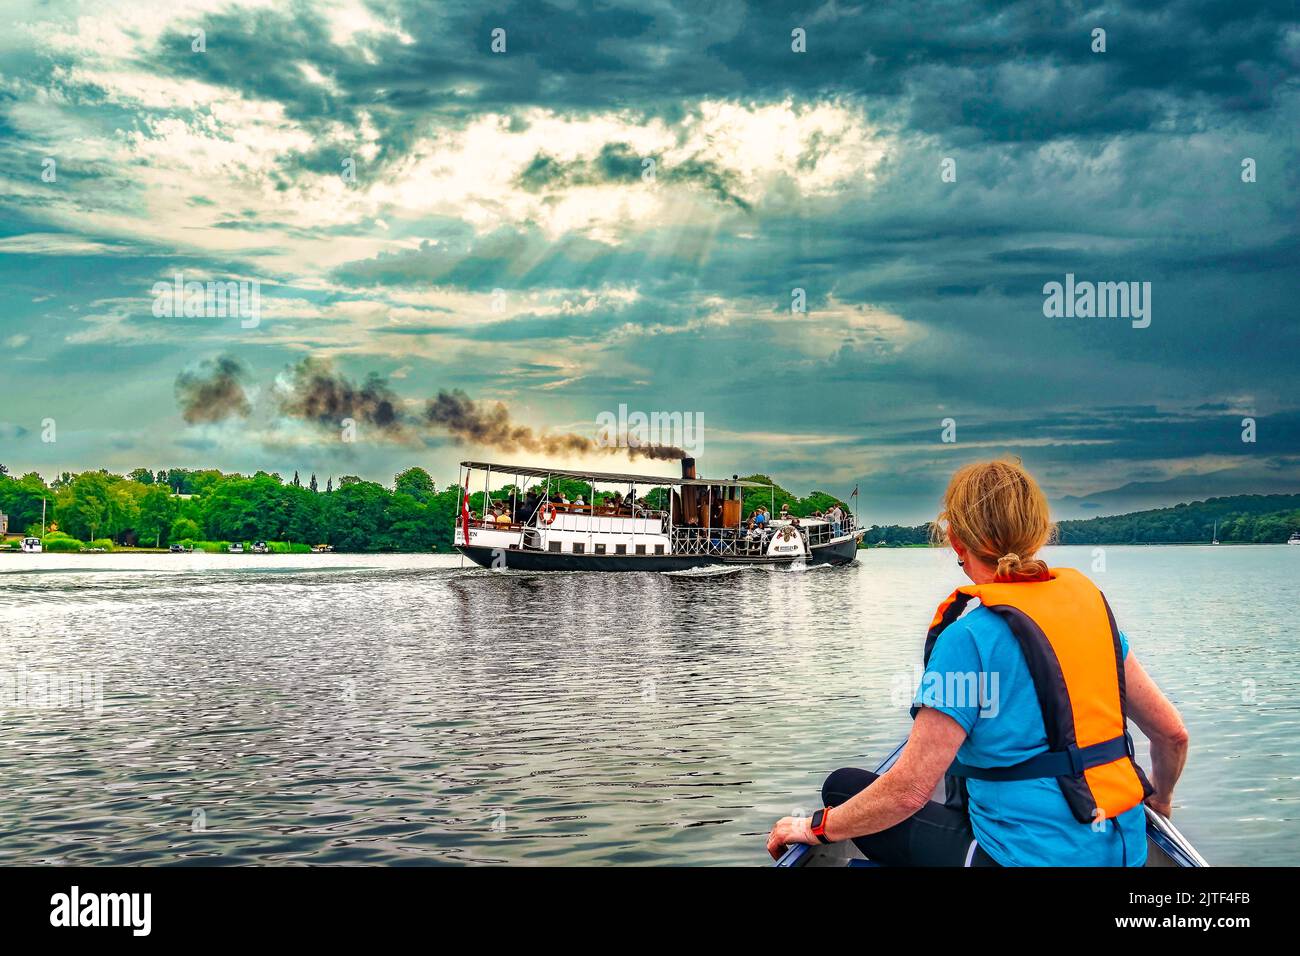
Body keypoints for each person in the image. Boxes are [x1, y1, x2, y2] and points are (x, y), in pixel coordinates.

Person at [767, 459, 1189, 866]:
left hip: (1017, 859)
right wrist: (1161, 799)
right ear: (1037, 532)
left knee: (842, 788)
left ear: (956, 541)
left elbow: (910, 792)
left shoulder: (968, 638)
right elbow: (1172, 735)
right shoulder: (1093, 616)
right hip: (1124, 852)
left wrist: (812, 828)